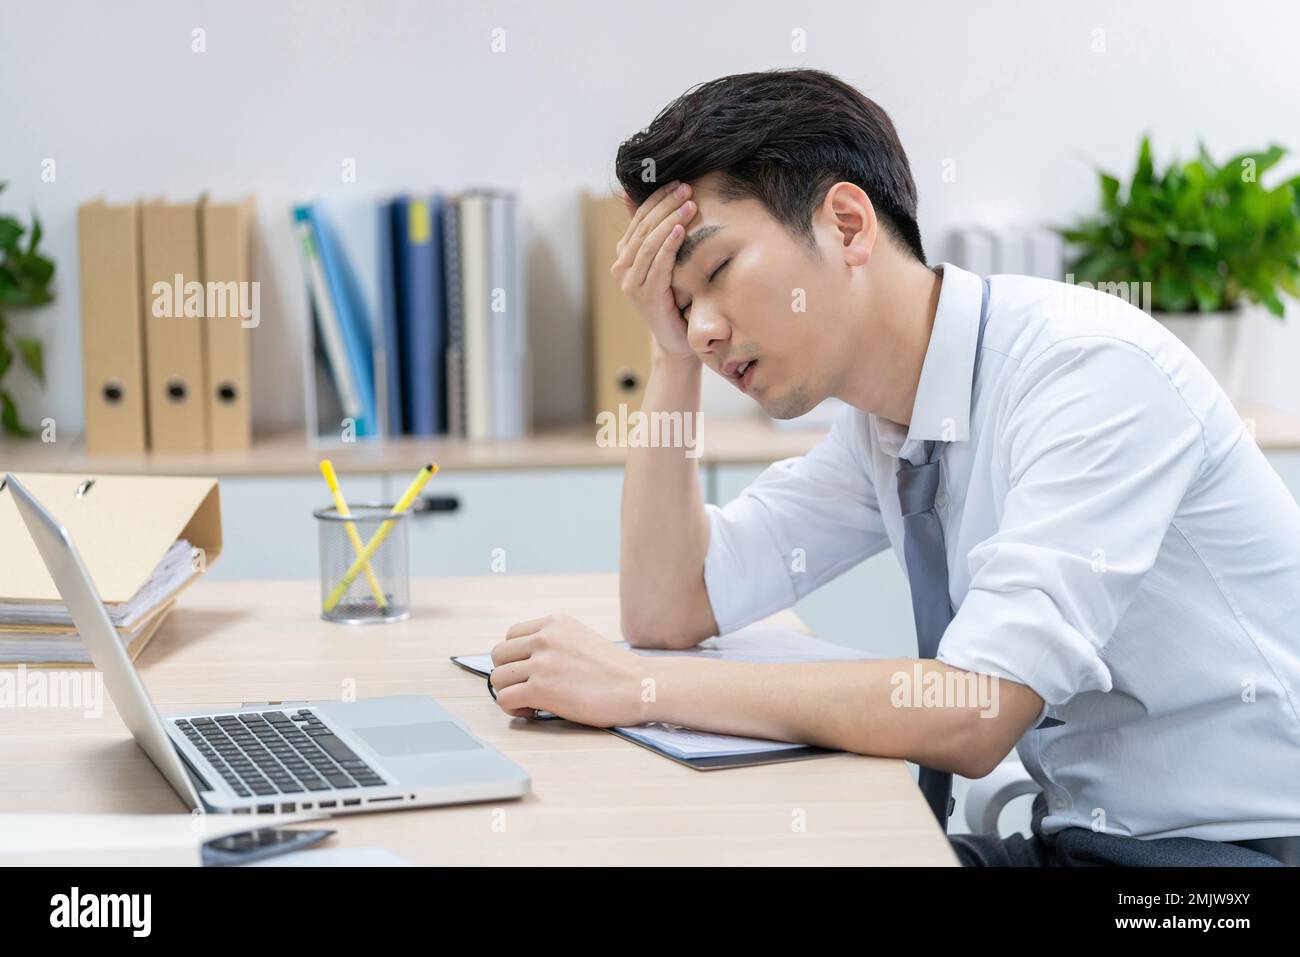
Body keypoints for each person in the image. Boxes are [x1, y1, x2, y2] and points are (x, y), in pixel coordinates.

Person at [489, 68, 1300, 866]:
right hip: (1080, 842)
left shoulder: (1090, 373)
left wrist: (640, 688)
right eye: (678, 302)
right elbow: (670, 606)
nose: (701, 326)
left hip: (1225, 861)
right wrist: (669, 356)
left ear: (847, 225)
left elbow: (974, 707)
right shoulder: (888, 424)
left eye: (716, 273)